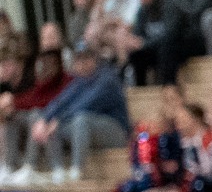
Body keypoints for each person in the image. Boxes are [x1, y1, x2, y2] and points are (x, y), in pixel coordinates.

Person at [19, 47, 129, 184]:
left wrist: (58, 120)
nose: (82, 64)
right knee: (50, 122)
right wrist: (44, 119)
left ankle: (77, 170)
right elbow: (60, 101)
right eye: (79, 59)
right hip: (89, 130)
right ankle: (58, 171)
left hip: (116, 132)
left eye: (86, 58)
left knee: (80, 119)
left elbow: (86, 104)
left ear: (94, 59)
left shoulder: (107, 79)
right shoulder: (80, 81)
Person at [0, 49, 66, 182]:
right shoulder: (41, 82)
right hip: (39, 124)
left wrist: (12, 101)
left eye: (51, 64)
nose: (46, 67)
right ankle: (8, 166)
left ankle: (30, 166)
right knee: (13, 118)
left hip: (60, 122)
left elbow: (44, 103)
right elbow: (33, 97)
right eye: (43, 64)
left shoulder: (65, 80)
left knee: (36, 115)